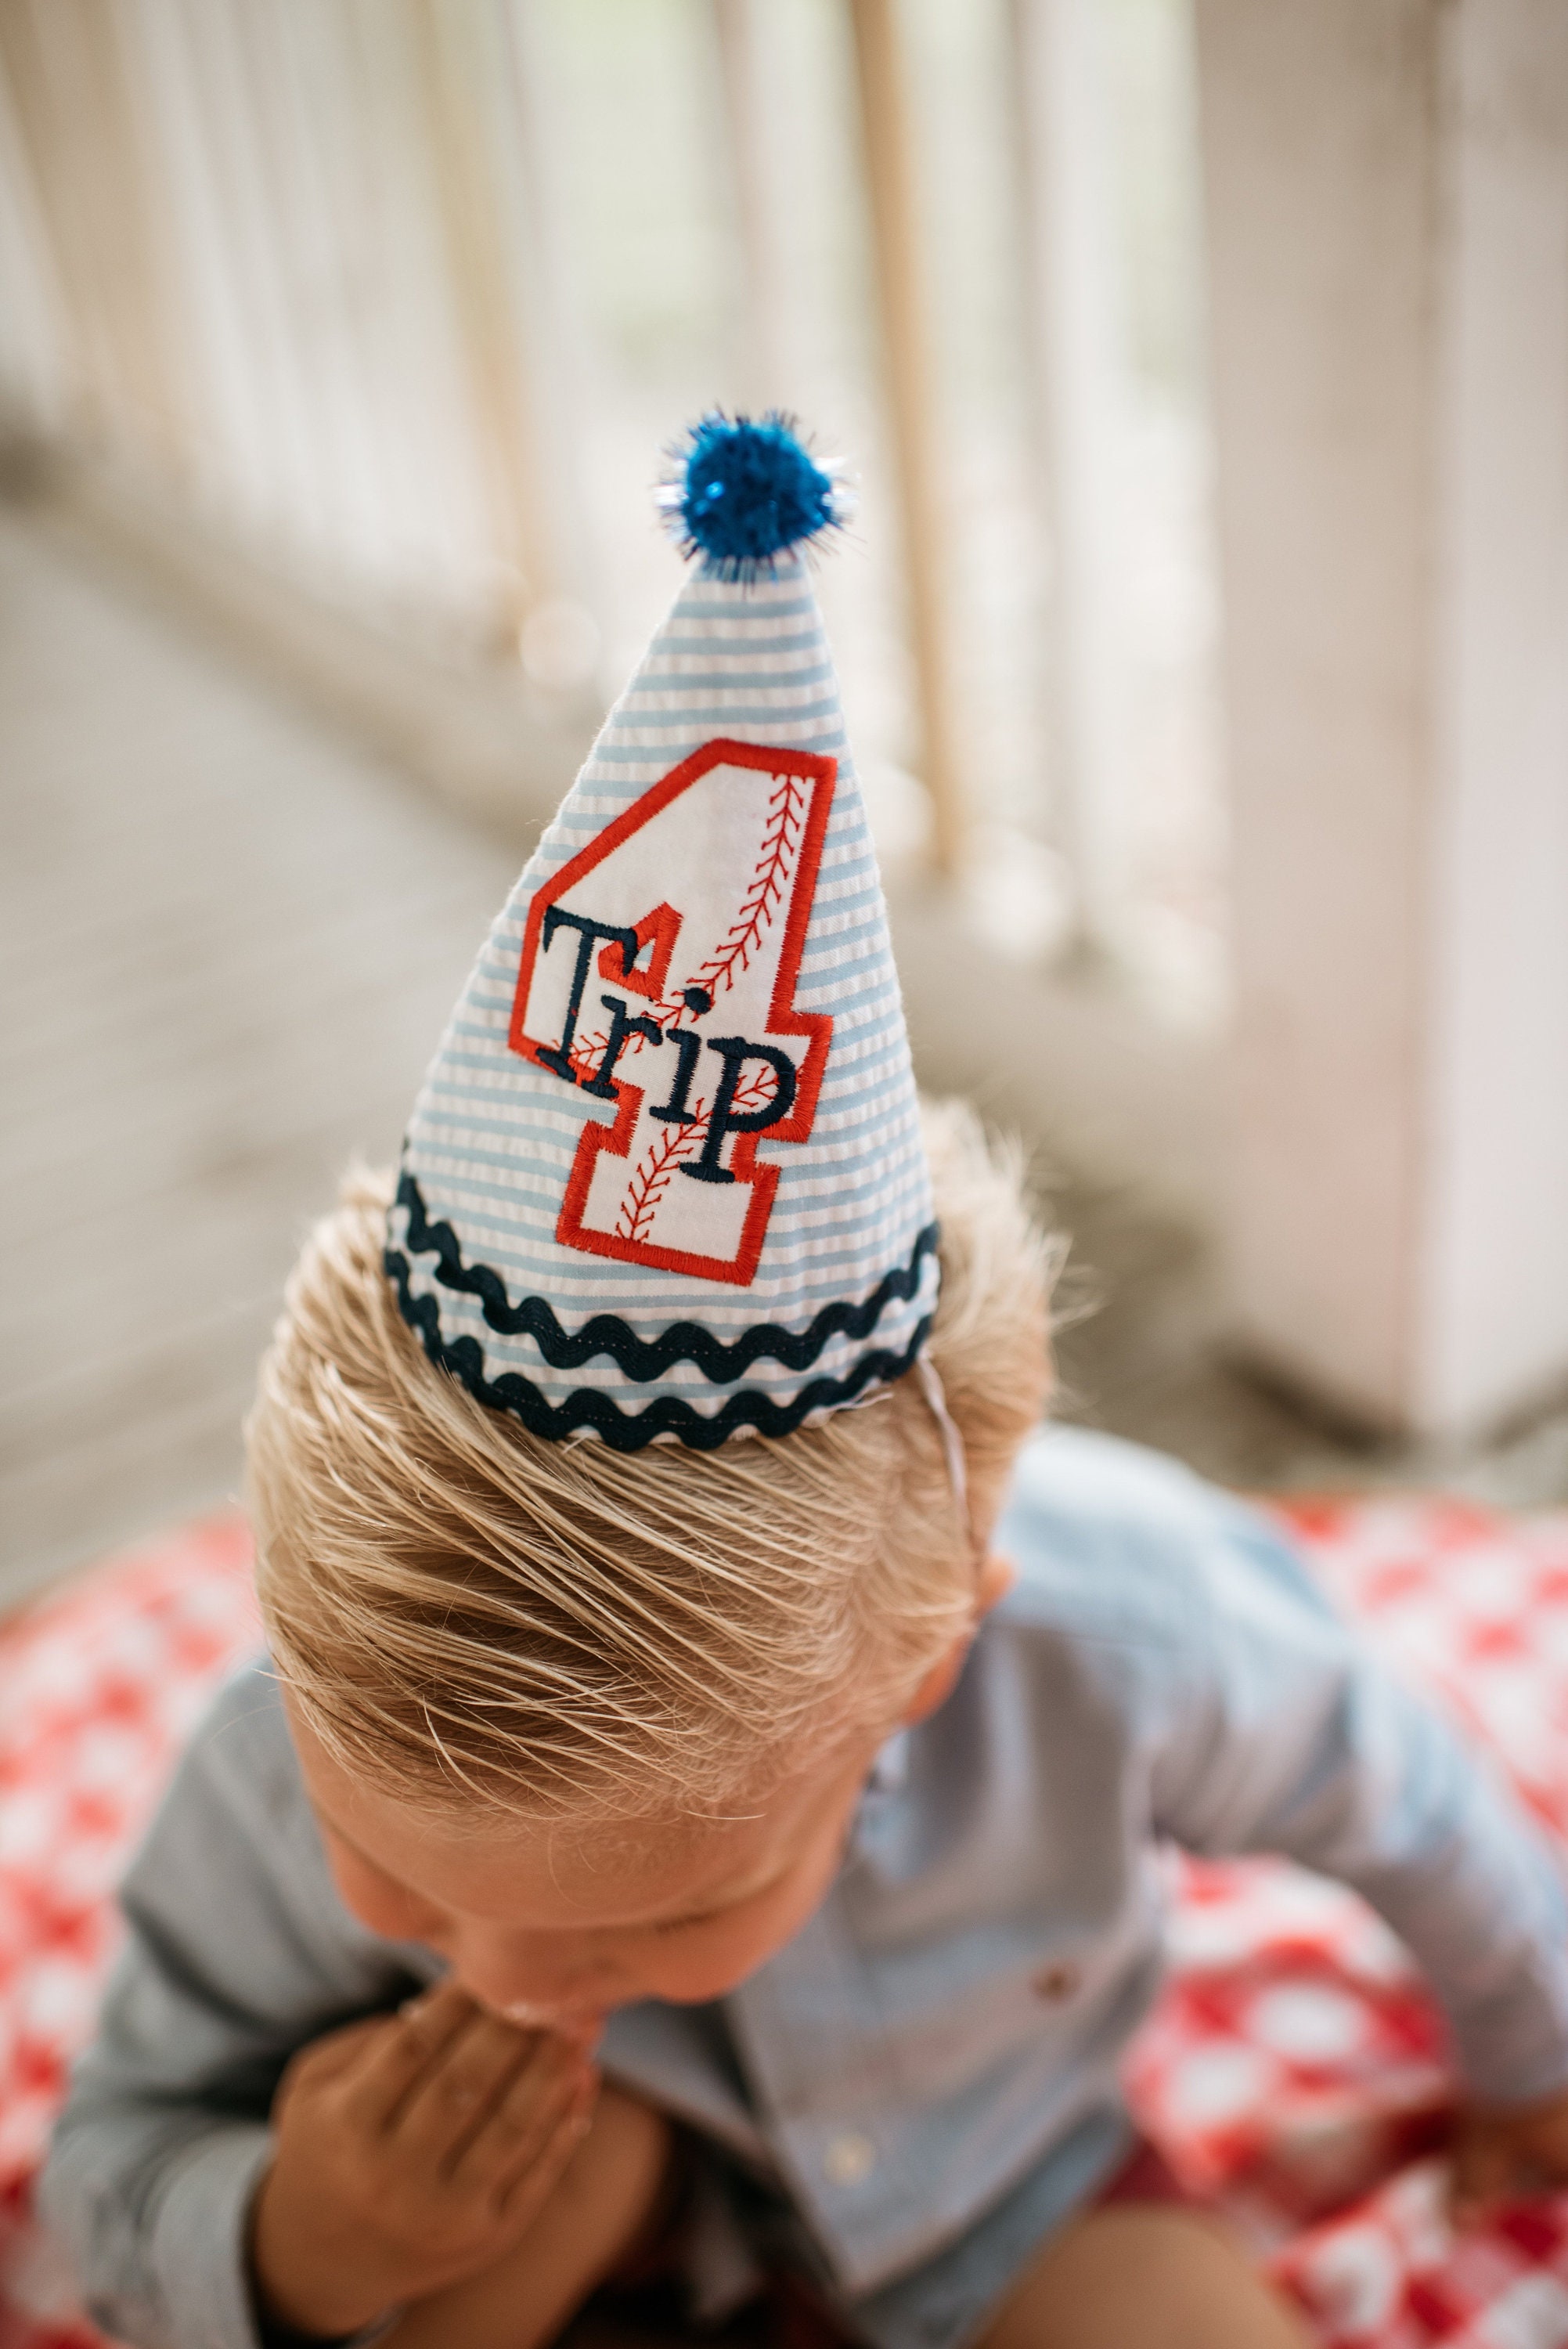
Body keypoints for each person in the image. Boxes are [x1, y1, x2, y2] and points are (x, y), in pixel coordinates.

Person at [41, 419, 1568, 2349]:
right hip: (557, 2207)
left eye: (668, 1908)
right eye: (399, 1882)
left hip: (993, 2178)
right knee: (528, 2197)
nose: (510, 1982)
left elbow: (1398, 1783)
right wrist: (299, 2240)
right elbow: (108, 2162)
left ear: (931, 1654)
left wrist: (1533, 2050)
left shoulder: (1123, 1625)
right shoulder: (277, 1755)